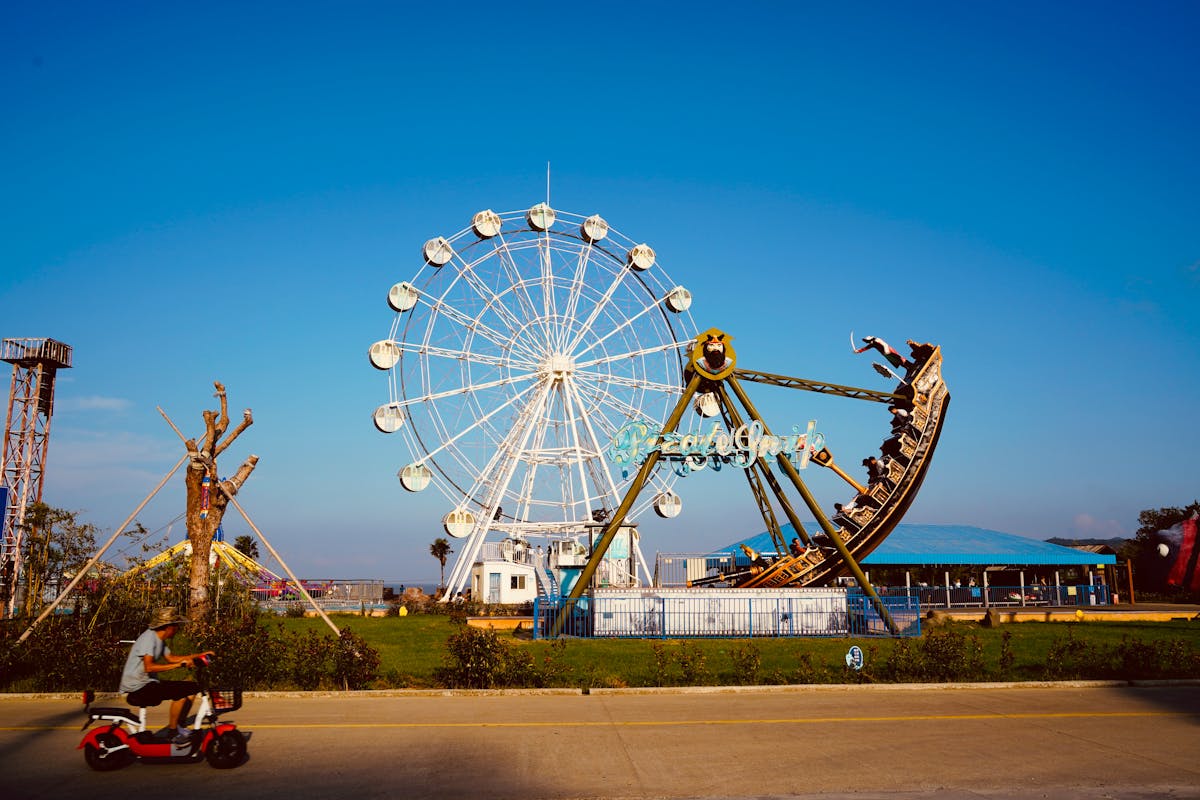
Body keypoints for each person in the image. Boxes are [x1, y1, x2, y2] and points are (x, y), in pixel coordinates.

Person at [119, 607, 214, 745]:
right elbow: (149, 667)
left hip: (147, 683)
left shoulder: (159, 639)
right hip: (138, 687)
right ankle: (173, 732)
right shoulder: (149, 638)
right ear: (168, 626)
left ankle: (178, 726)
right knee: (181, 692)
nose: (177, 628)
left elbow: (171, 658)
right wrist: (180, 664)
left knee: (192, 689)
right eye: (176, 625)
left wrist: (198, 655)